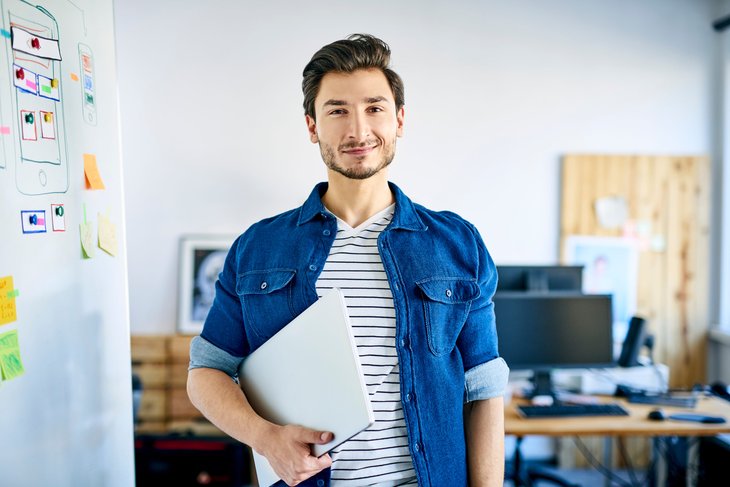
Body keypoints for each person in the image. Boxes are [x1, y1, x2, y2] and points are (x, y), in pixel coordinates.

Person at [187, 34, 509, 487]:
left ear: (399, 119)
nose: (358, 130)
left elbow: (485, 389)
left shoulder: (458, 244)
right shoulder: (258, 247)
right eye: (337, 110)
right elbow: (205, 373)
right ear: (312, 126)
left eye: (374, 108)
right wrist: (265, 437)